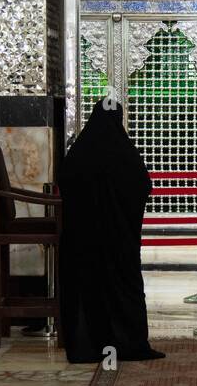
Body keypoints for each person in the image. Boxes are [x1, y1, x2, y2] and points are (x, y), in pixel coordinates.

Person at [58, 99, 164, 363]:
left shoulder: (79, 152)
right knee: (123, 285)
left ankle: (86, 346)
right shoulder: (125, 154)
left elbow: (65, 180)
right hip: (119, 242)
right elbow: (143, 185)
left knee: (85, 285)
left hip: (82, 243)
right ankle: (128, 344)